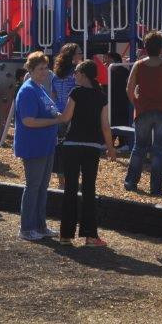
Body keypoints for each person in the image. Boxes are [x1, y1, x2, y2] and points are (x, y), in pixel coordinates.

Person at [55, 60, 116, 246]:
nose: (74, 76)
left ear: (83, 74)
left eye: (76, 73)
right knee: (89, 189)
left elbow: (66, 117)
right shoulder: (101, 96)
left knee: (70, 189)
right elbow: (105, 126)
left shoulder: (76, 93)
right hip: (91, 147)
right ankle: (90, 235)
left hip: (72, 145)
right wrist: (111, 148)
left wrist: (49, 115)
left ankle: (65, 234)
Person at [125, 31, 162, 196]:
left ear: (145, 48)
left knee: (139, 147)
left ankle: (131, 182)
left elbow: (129, 88)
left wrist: (136, 102)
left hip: (143, 109)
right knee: (159, 149)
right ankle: (156, 187)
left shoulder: (139, 65)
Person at [14, 52, 61, 240]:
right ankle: (26, 229)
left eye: (45, 68)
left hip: (46, 145)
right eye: (40, 68)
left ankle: (40, 226)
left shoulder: (40, 88)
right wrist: (55, 121)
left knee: (42, 187)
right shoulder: (27, 91)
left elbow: (50, 112)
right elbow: (29, 121)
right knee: (33, 186)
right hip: (34, 146)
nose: (44, 71)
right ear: (31, 70)